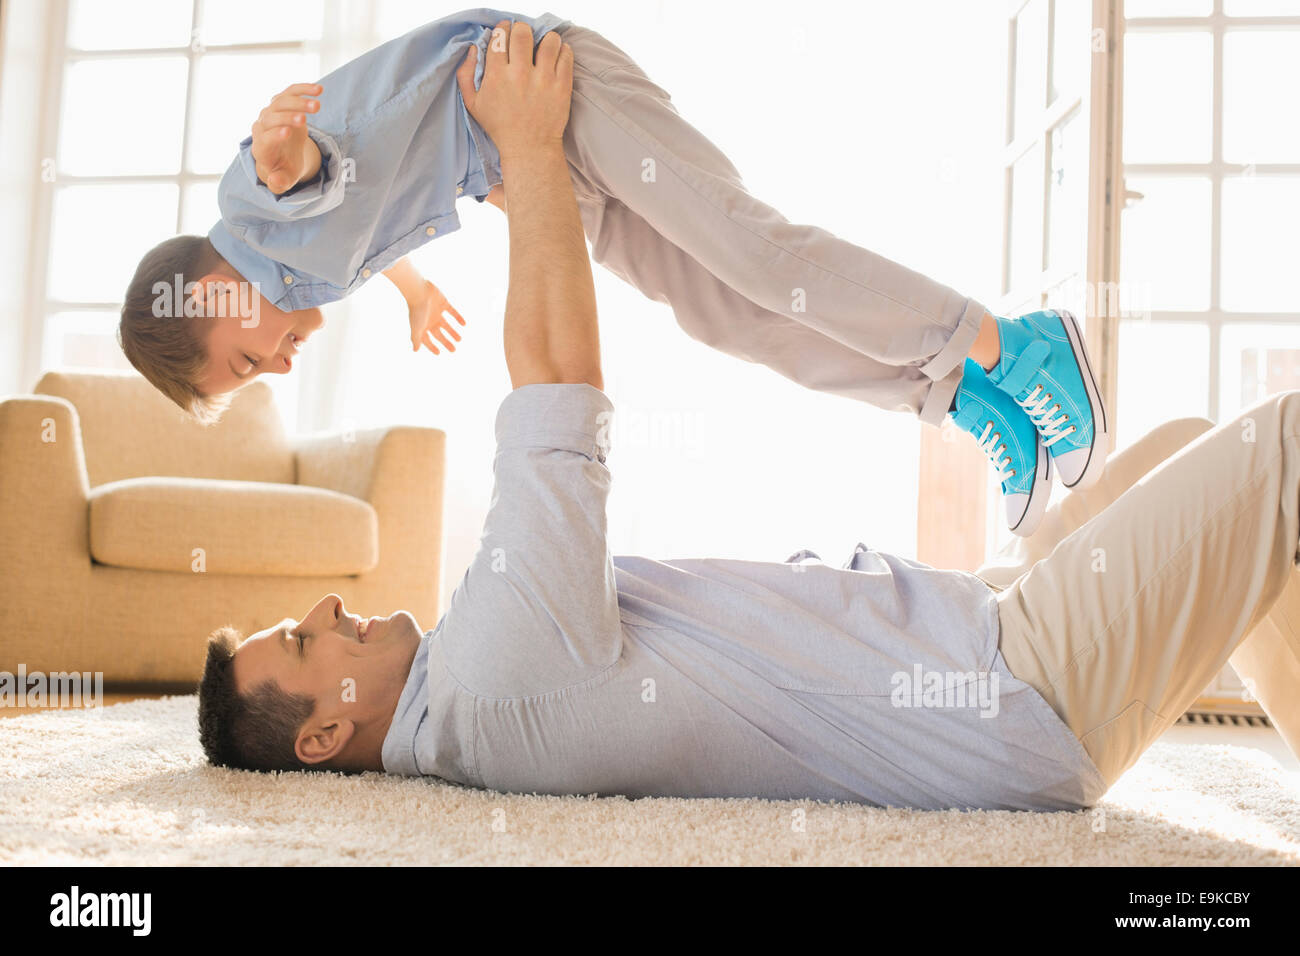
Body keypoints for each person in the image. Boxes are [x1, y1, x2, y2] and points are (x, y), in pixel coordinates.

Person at [197, 26, 1300, 810]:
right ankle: (1001, 351)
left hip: (986, 629)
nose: (328, 603)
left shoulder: (472, 680)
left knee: (1196, 454)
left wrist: (519, 178)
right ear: (326, 731)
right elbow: (556, 389)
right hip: (1018, 685)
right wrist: (528, 150)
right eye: (302, 639)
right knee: (1284, 447)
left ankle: (969, 387)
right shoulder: (490, 679)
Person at [118, 10, 1107, 537]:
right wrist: (414, 289)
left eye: (244, 363)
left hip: (550, 83)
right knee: (726, 315)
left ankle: (1014, 345)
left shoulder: (256, 202)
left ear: (206, 294)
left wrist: (281, 149)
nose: (275, 371)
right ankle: (966, 397)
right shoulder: (301, 279)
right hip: (530, 159)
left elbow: (297, 176)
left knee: (752, 253)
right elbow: (354, 224)